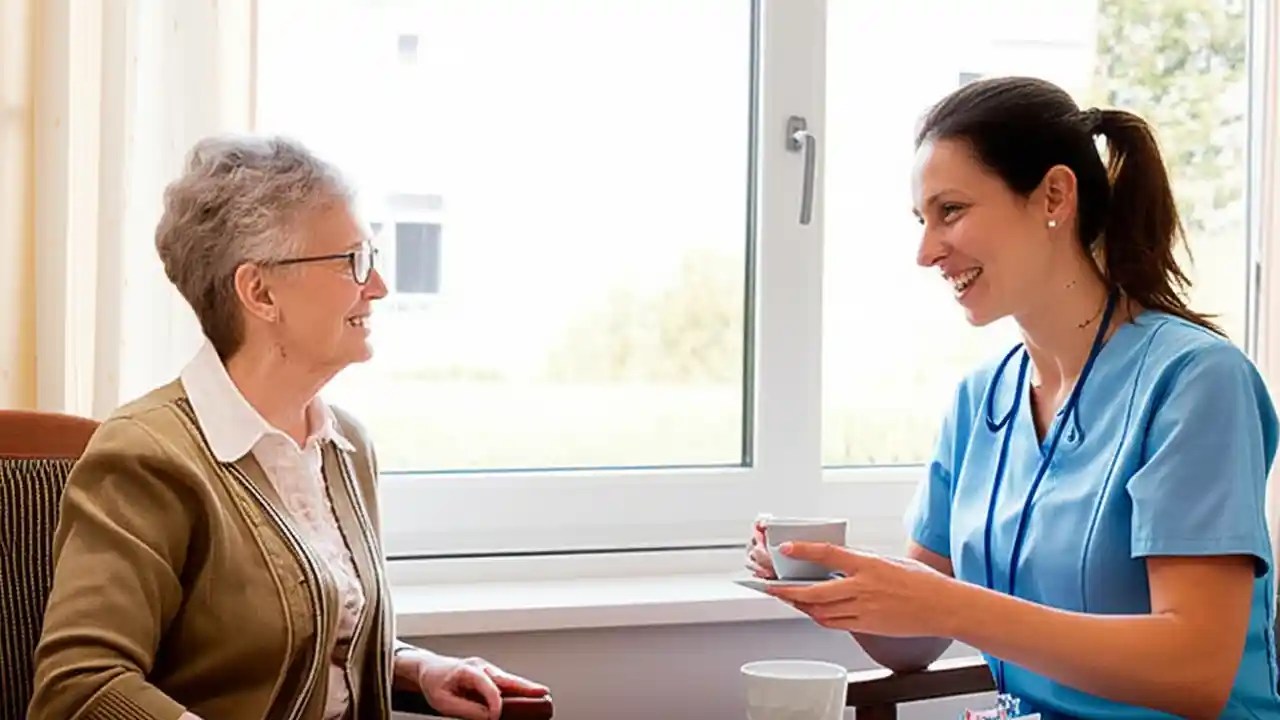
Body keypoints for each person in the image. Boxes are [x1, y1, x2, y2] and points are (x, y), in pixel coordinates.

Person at [746, 76, 1280, 719]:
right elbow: (916, 642)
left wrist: (944, 602)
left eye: (951, 211)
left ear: (1054, 195)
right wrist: (842, 588)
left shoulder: (1195, 382)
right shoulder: (980, 401)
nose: (926, 251)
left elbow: (1195, 669)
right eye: (923, 219)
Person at [29, 135, 549, 720]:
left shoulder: (345, 446)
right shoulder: (146, 455)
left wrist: (416, 669)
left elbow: (312, 636)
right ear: (259, 291)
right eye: (353, 261)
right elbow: (80, 690)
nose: (377, 287)